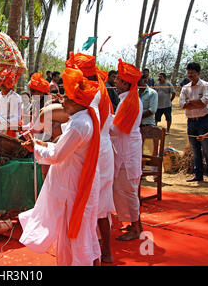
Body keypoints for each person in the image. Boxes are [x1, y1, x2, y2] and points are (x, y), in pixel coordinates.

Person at [19, 65, 101, 266]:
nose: (61, 101)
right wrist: (39, 144)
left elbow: (57, 155)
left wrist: (35, 148)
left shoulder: (80, 124)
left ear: (77, 101)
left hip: (74, 188)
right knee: (79, 234)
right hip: (76, 184)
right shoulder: (82, 117)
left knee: (76, 237)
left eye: (66, 98)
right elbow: (61, 145)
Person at [67, 52, 115, 263]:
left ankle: (98, 254)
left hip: (96, 150)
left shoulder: (91, 94)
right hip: (102, 147)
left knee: (93, 205)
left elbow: (79, 120)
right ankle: (102, 252)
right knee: (98, 205)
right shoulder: (100, 90)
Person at [111, 59, 143, 241]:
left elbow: (117, 128)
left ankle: (136, 228)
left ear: (126, 83)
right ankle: (132, 223)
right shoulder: (128, 100)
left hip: (127, 152)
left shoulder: (130, 102)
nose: (115, 82)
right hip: (125, 149)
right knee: (121, 188)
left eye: (118, 80)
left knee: (128, 189)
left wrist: (99, 120)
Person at [179, 62, 208, 183]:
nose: (190, 75)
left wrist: (190, 102)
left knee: (207, 148)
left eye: (192, 73)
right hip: (191, 122)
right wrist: (195, 103)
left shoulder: (206, 85)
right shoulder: (185, 87)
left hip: (204, 121)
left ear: (198, 73)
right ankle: (198, 174)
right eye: (188, 72)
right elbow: (182, 104)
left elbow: (204, 102)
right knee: (195, 150)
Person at [0, 71, 22, 138]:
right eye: (1, 82)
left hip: (8, 134)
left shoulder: (16, 98)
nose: (2, 84)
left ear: (11, 85)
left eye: (6, 83)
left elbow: (15, 120)